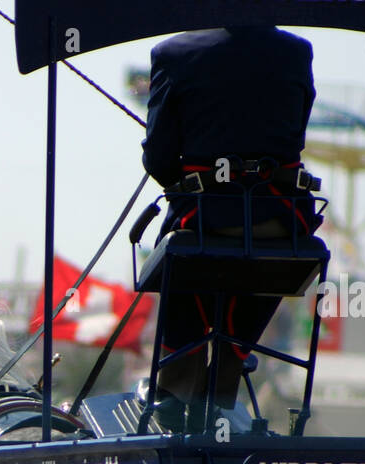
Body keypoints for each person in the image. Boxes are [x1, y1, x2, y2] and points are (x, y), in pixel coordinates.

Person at [142, 25, 323, 431]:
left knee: (187, 254)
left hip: (204, 222)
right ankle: (226, 372)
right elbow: (294, 136)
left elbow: (158, 159)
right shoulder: (297, 52)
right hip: (284, 224)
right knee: (263, 262)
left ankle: (174, 386)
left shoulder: (173, 53)